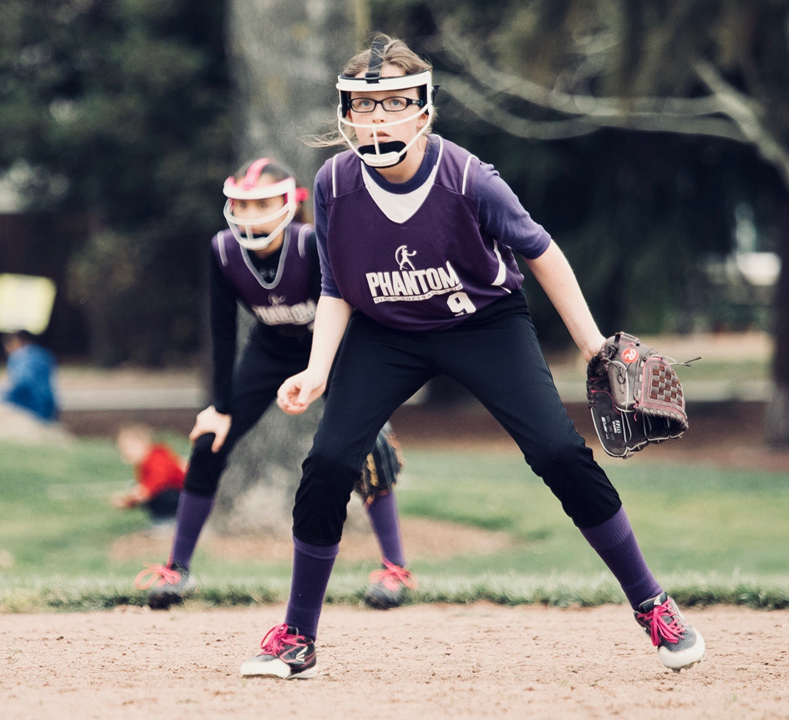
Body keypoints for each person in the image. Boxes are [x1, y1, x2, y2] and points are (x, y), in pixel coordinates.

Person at [238, 36, 705, 680]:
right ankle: (296, 635)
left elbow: (542, 253)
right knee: (327, 462)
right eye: (364, 105)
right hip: (386, 333)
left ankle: (652, 603)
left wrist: (593, 344)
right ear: (345, 113)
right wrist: (317, 370)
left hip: (482, 323)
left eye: (394, 103)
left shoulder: (467, 177)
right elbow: (336, 284)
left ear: (424, 111)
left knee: (559, 454)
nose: (378, 119)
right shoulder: (334, 183)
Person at [133, 157, 416, 612]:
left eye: (262, 203)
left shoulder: (311, 244)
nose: (250, 215)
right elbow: (222, 331)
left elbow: (349, 309)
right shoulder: (223, 250)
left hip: (336, 347)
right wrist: (220, 405)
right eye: (242, 205)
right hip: (272, 348)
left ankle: (395, 568)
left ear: (290, 202)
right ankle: (176, 569)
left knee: (368, 448)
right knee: (209, 439)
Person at [112, 424, 187, 528]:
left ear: (142, 443)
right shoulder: (144, 464)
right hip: (178, 494)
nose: (126, 453)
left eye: (128, 448)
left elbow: (158, 479)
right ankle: (163, 518)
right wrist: (129, 501)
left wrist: (141, 491)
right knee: (140, 487)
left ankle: (166, 520)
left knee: (154, 491)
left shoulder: (156, 457)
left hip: (184, 495)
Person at [0, 330, 58, 422]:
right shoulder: (44, 354)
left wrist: (2, 397)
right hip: (49, 407)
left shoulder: (19, 356)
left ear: (16, 342)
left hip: (31, 409)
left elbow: (22, 384)